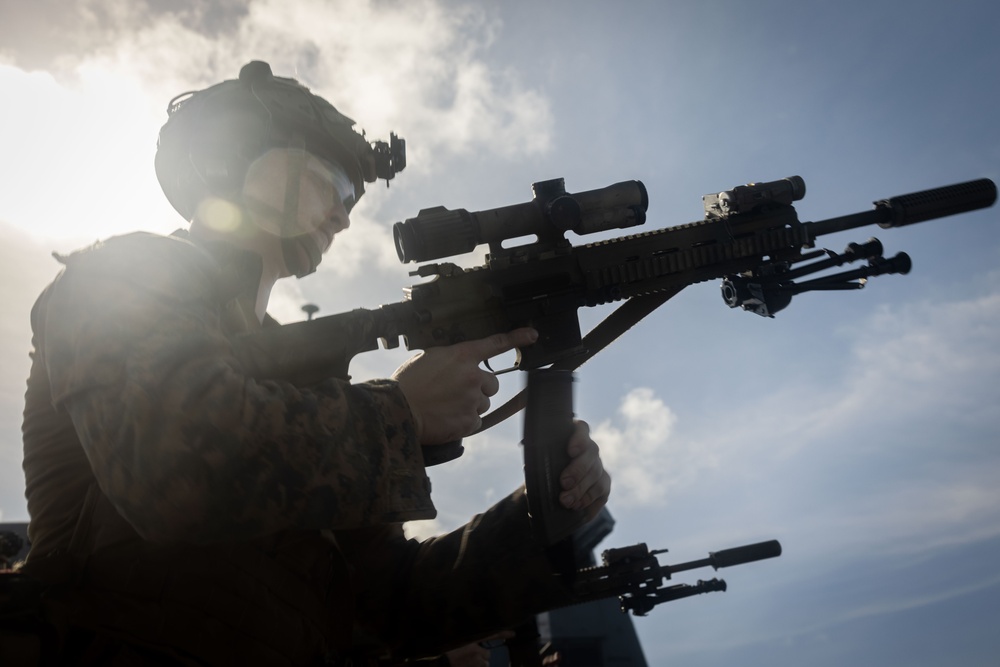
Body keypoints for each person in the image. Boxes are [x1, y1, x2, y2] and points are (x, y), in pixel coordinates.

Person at [18, 61, 610, 665]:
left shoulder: (301, 378)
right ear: (230, 159)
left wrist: (546, 513)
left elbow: (394, 605)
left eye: (351, 197)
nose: (344, 214)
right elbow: (176, 463)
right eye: (329, 181)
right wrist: (399, 412)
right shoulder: (118, 277)